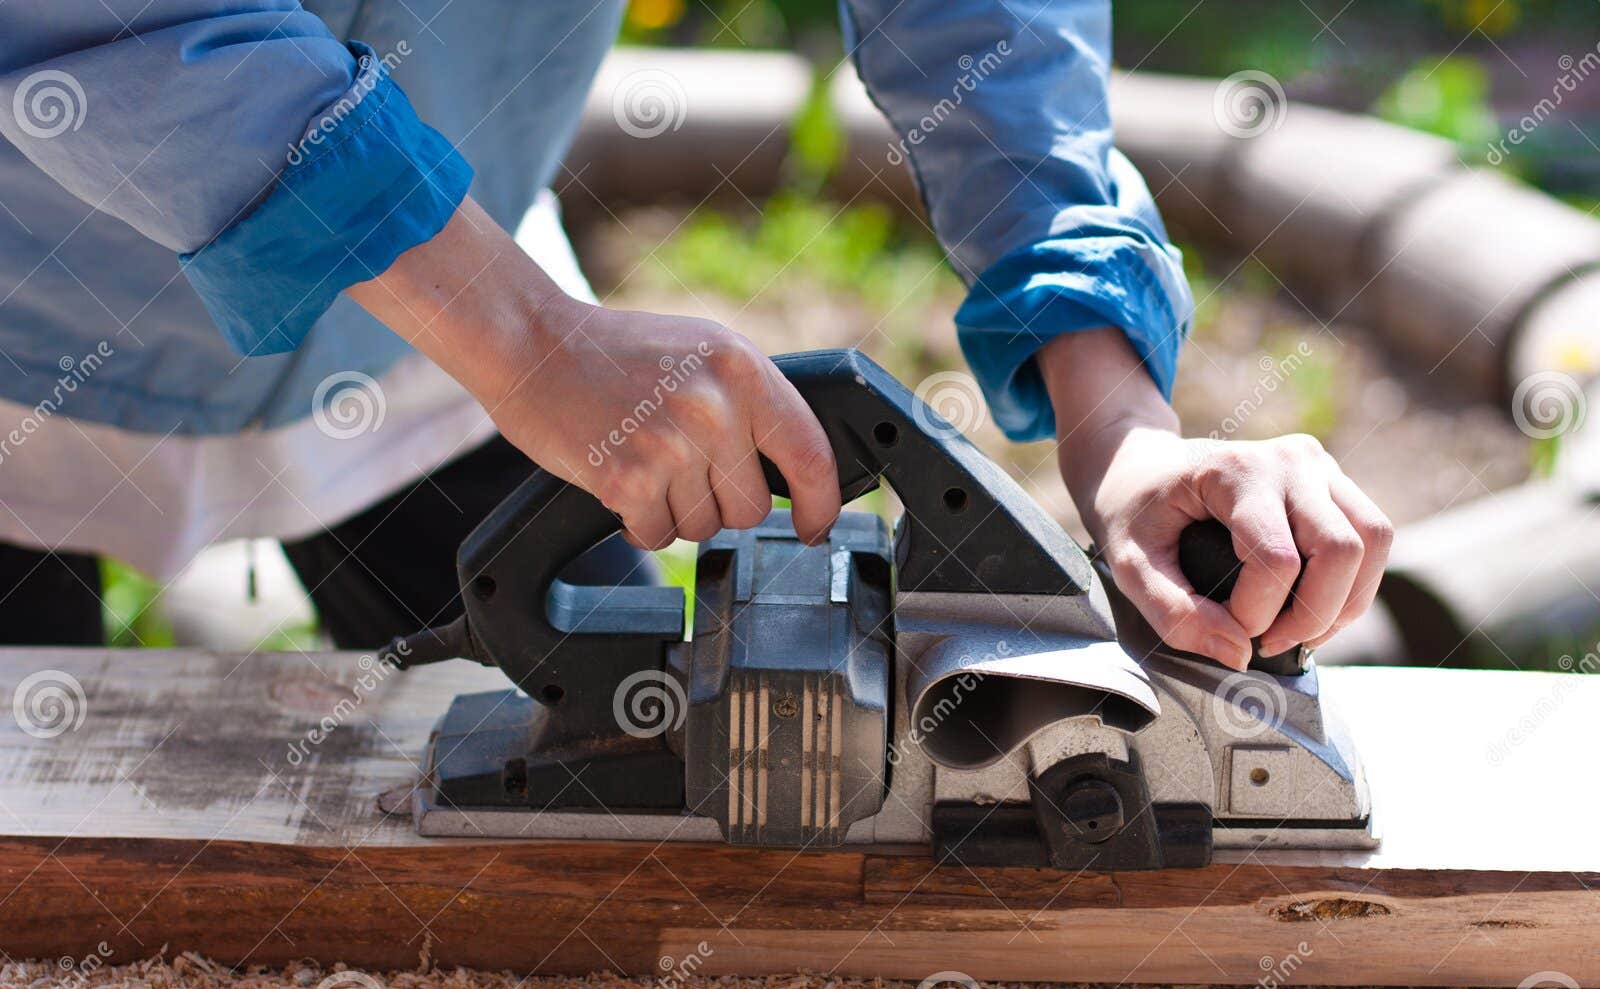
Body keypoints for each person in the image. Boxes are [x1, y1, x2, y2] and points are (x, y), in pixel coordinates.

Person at [0, 1, 1389, 667]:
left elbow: (981, 23)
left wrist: (1119, 416)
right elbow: (123, 28)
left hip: (435, 342)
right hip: (28, 320)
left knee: (606, 764)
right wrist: (530, 343)